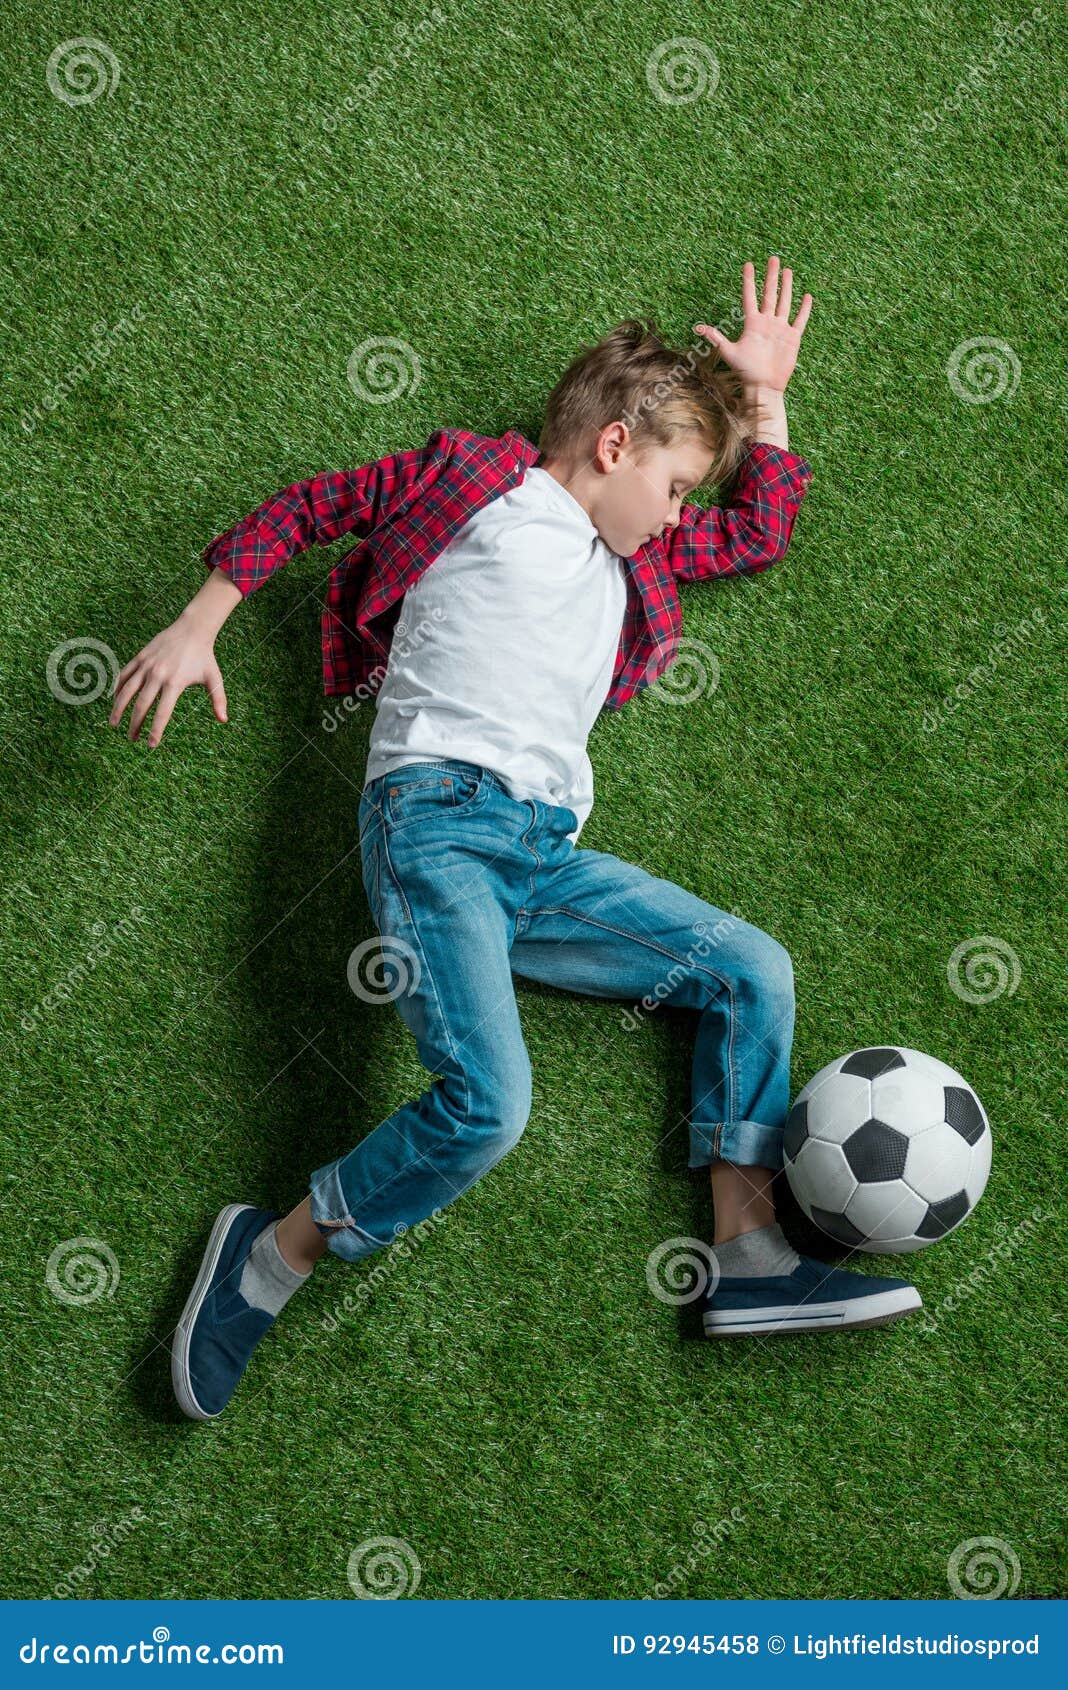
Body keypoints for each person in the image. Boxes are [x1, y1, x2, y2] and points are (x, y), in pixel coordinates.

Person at [109, 257, 921, 1421]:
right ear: (612, 449)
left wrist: (766, 398)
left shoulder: (636, 560)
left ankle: (746, 1255)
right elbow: (309, 506)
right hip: (433, 823)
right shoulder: (478, 480)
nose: (685, 513)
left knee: (753, 968)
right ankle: (268, 1254)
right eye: (678, 483)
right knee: (488, 1109)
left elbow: (763, 530)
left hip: (542, 857)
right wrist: (201, 624)